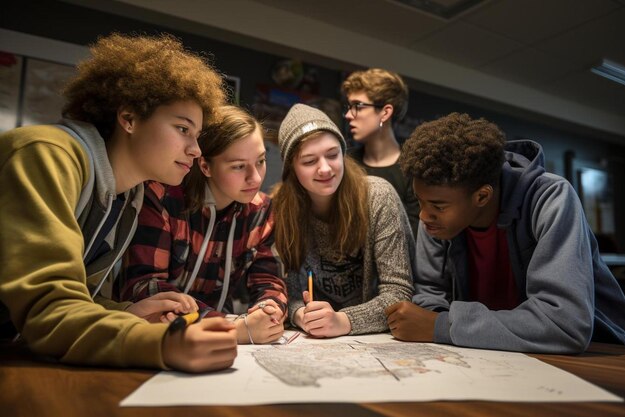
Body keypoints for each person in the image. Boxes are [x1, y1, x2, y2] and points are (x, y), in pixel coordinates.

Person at [0, 33, 237, 372]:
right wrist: (161, 343)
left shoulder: (128, 196)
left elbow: (76, 297)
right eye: (183, 129)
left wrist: (126, 313)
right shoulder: (45, 154)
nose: (196, 150)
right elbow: (47, 311)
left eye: (197, 136)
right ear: (129, 119)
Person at [386, 112, 625, 353]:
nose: (424, 216)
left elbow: (563, 324)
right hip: (489, 352)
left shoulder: (551, 199)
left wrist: (442, 326)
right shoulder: (438, 219)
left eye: (438, 206)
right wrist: (433, 322)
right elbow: (430, 295)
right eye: (420, 201)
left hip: (599, 354)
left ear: (482, 196)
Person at [120, 105, 287, 345]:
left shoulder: (261, 209)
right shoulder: (161, 196)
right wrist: (230, 328)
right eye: (239, 166)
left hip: (228, 337)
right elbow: (144, 288)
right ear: (205, 166)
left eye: (260, 161)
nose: (256, 178)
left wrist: (269, 309)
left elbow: (269, 279)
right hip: (158, 337)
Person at [272, 103, 414, 337]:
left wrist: (343, 321)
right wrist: (300, 315)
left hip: (377, 340)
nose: (325, 169)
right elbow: (287, 291)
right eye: (309, 161)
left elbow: (399, 291)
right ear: (292, 170)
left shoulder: (378, 196)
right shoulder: (281, 209)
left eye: (332, 154)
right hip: (312, 340)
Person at [342, 68, 420, 237]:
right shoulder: (346, 164)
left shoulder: (413, 169)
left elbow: (413, 239)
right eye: (349, 107)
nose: (348, 115)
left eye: (358, 106)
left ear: (385, 112)